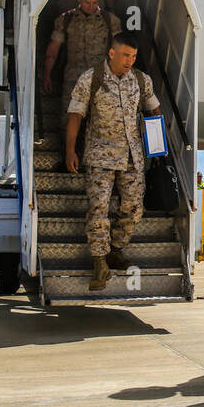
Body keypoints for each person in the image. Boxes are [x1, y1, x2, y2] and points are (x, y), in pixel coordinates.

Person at [65, 31, 161, 291]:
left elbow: (154, 110)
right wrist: (70, 150)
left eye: (133, 56)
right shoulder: (92, 78)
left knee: (133, 208)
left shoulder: (141, 80)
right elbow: (75, 115)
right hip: (100, 156)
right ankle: (99, 262)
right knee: (98, 209)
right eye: (125, 55)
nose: (130, 60)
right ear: (112, 53)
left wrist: (158, 146)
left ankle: (114, 250)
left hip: (132, 158)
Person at [41, 0, 123, 106]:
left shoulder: (110, 20)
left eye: (95, 3)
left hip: (100, 80)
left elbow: (120, 50)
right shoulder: (65, 20)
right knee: (69, 119)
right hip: (73, 80)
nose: (91, 7)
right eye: (87, 2)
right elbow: (53, 49)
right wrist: (47, 75)